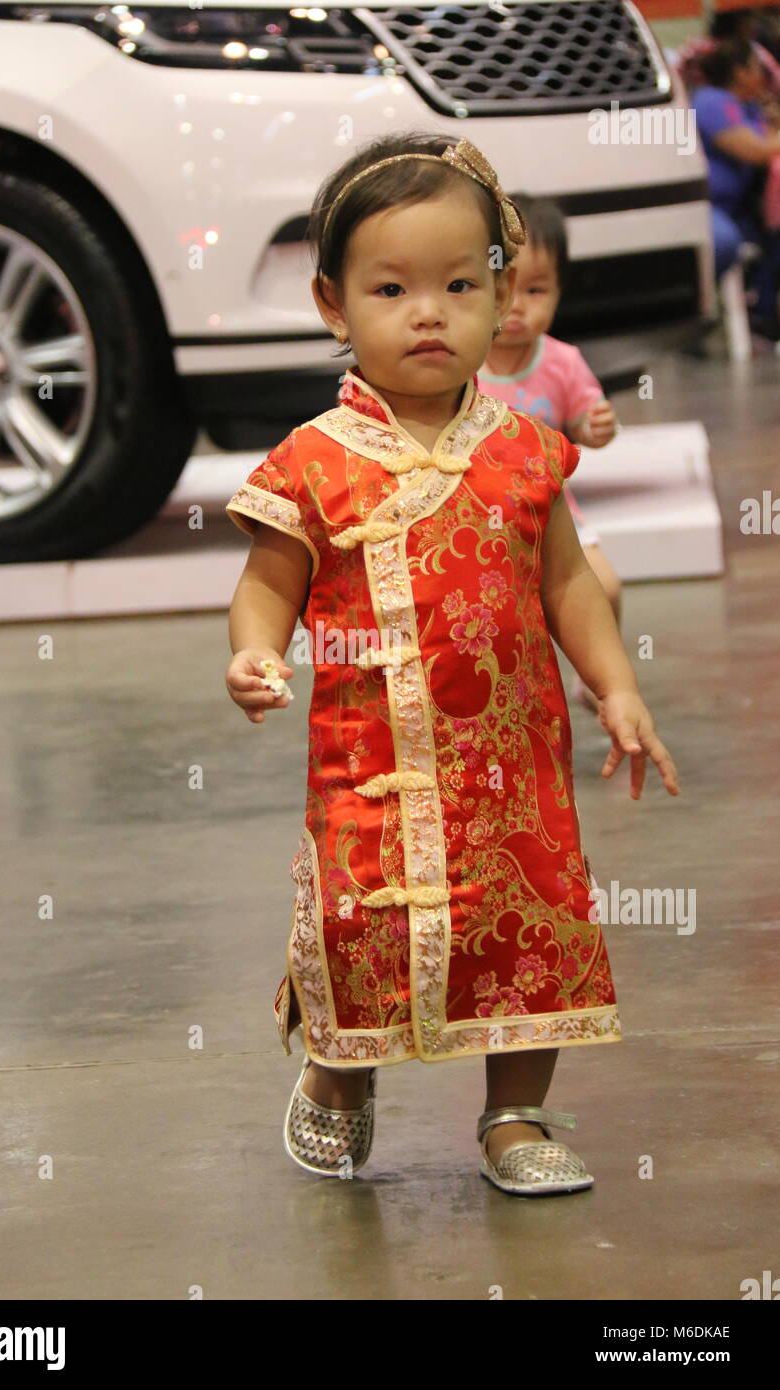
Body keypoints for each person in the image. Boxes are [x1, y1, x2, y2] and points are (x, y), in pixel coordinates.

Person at [224, 132, 680, 1197]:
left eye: (460, 285)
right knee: (360, 924)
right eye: (391, 289)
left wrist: (616, 686)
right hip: (366, 767)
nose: (428, 313)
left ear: (503, 295)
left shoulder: (525, 450)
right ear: (334, 305)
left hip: (513, 770)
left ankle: (513, 1111)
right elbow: (266, 584)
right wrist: (253, 650)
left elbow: (568, 584)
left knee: (532, 927)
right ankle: (340, 1071)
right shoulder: (312, 460)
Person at [476, 193, 621, 713]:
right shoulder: (461, 364)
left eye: (536, 290)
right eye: (504, 288)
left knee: (607, 588)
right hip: (479, 518)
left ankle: (598, 677)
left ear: (560, 291)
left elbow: (584, 422)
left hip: (553, 510)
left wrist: (595, 427)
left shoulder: (562, 362)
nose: (518, 305)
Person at [692, 38, 780, 340]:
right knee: (727, 241)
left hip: (739, 208)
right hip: (710, 205)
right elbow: (754, 150)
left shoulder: (747, 105)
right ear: (740, 72)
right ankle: (700, 317)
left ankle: (764, 311)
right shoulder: (712, 101)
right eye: (758, 68)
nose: (764, 75)